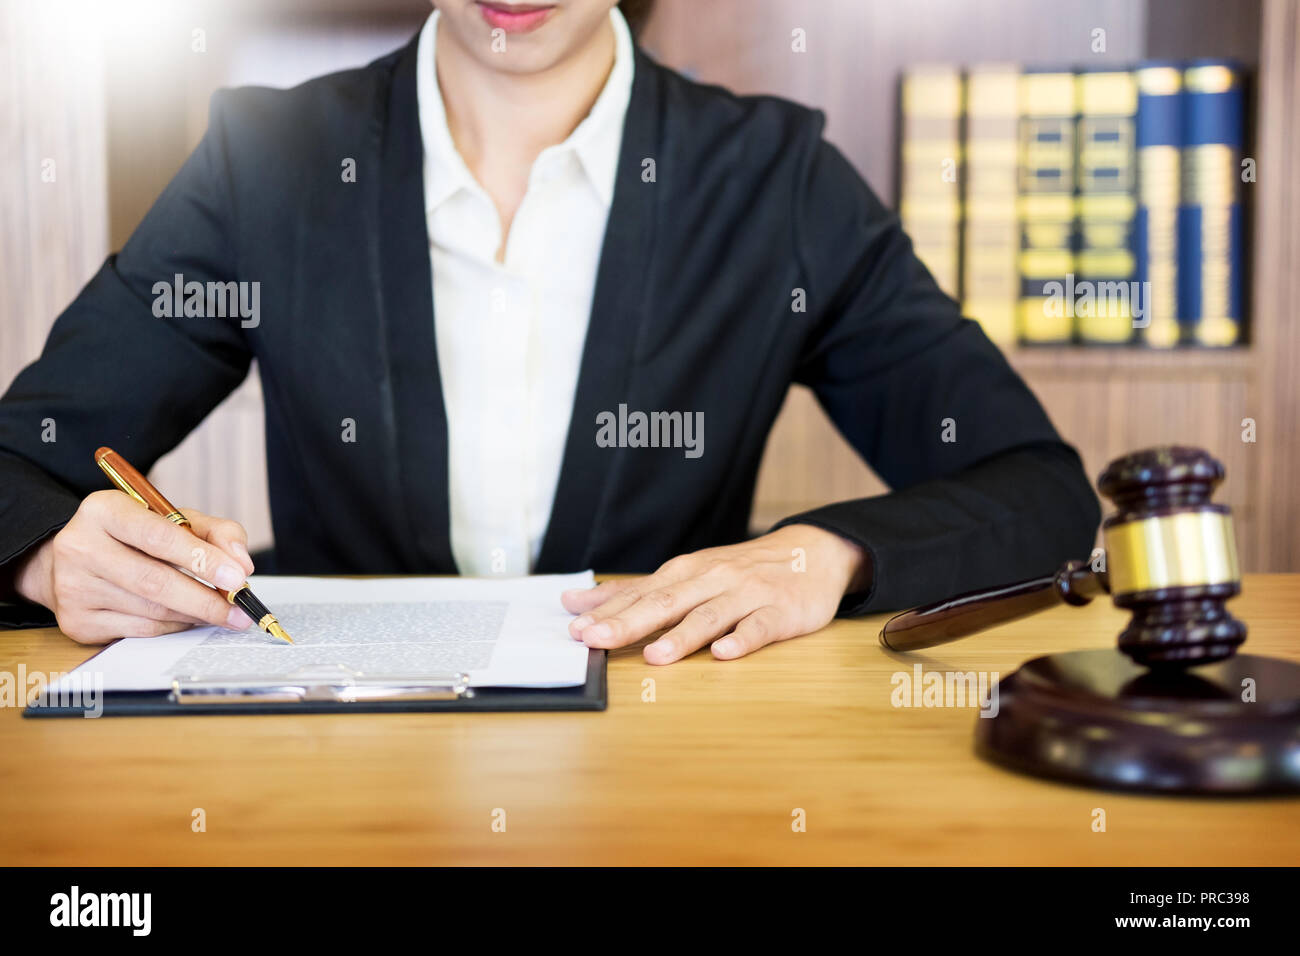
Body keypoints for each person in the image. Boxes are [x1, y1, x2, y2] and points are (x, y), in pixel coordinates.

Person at [0, 0, 1099, 664]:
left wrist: (826, 553)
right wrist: (51, 556)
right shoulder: (270, 163)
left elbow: (1038, 491)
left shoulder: (779, 184)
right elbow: (19, 462)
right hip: (337, 764)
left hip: (655, 754)